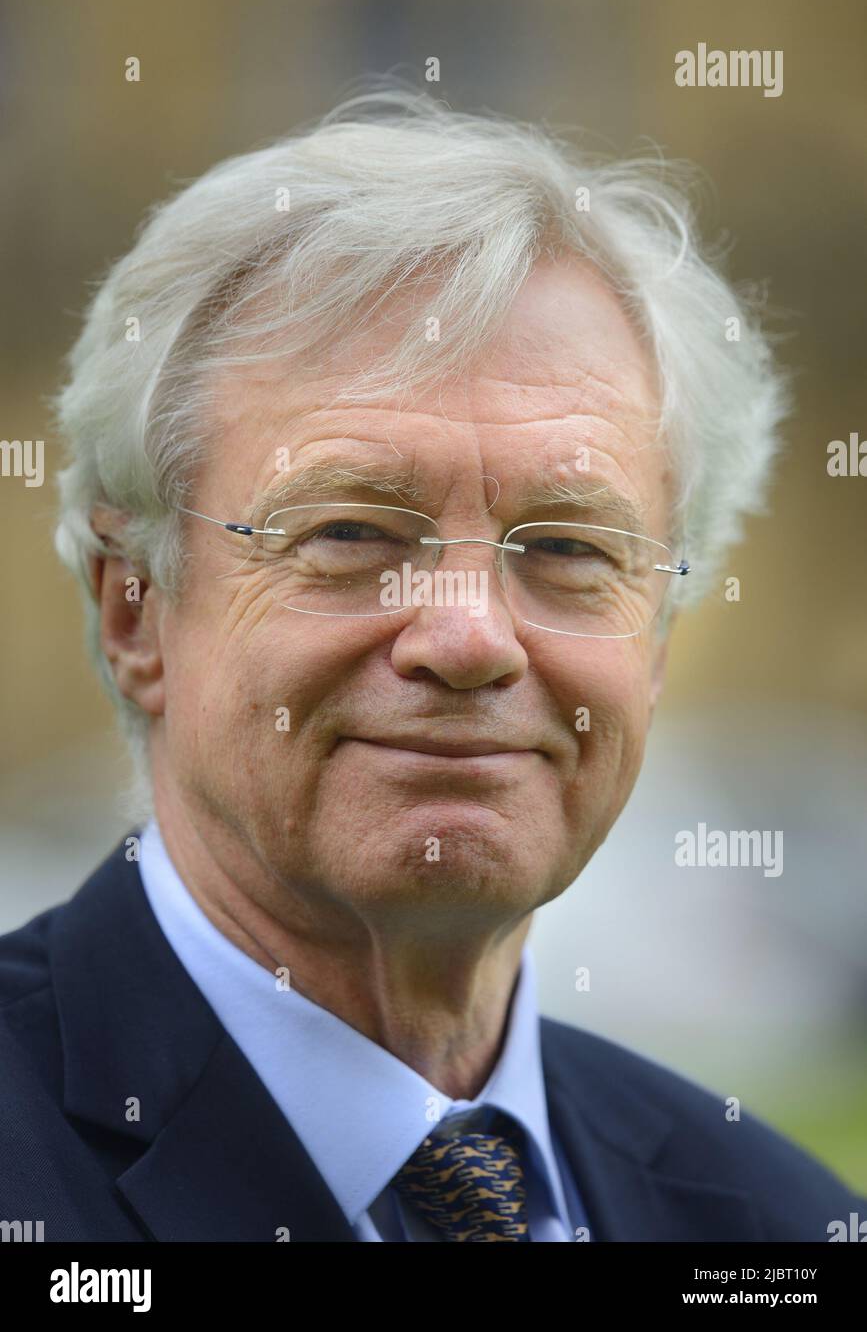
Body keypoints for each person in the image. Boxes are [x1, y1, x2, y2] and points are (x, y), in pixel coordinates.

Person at [1, 90, 860, 1242]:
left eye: (567, 548)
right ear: (135, 611)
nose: (467, 638)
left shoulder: (778, 1227)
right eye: (351, 533)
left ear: (655, 642)